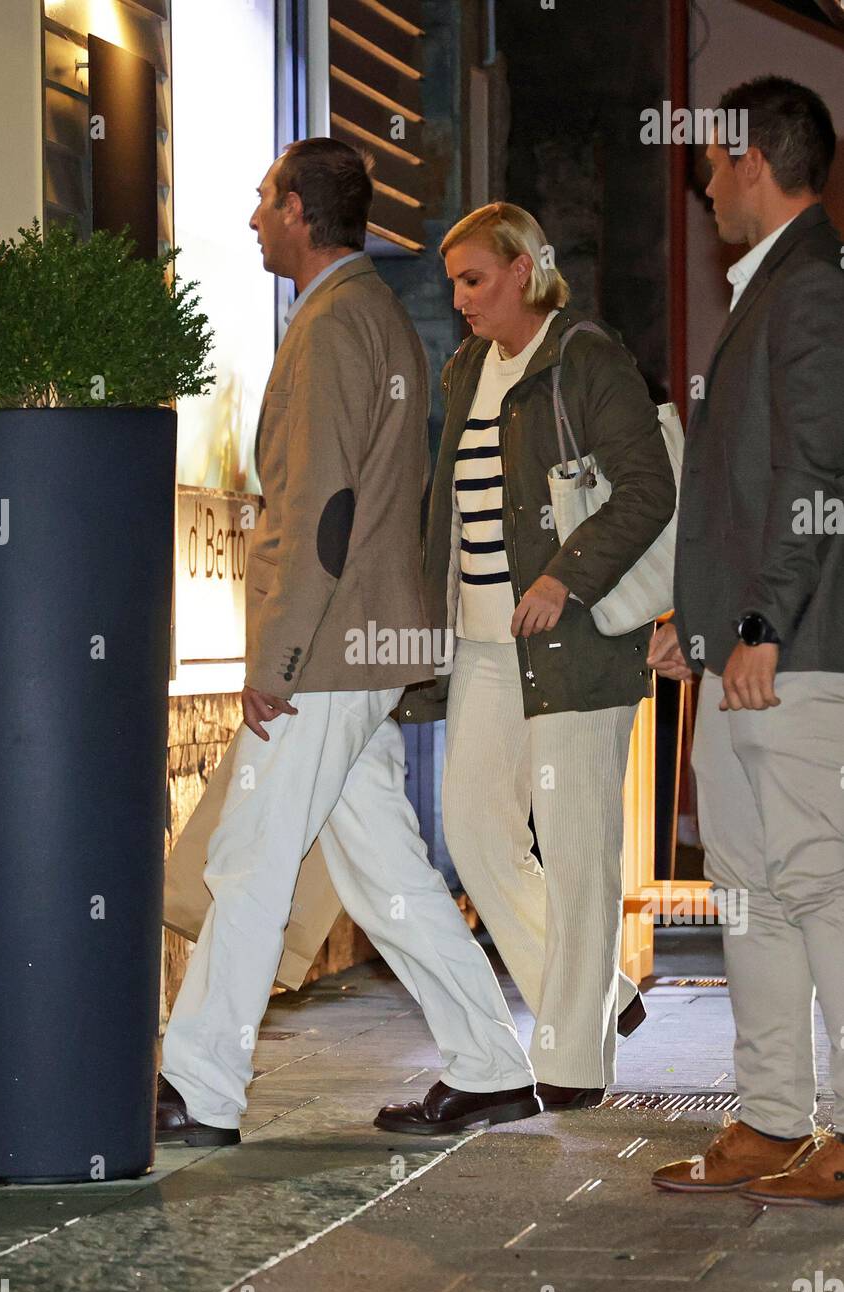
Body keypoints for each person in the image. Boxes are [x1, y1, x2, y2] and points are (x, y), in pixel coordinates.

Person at [157, 138, 542, 1145]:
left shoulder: (331, 327)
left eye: (260, 201)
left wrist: (274, 661)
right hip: (363, 646)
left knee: (248, 856)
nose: (250, 219)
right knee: (385, 874)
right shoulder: (378, 317)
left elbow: (318, 514)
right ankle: (492, 1065)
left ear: (296, 210)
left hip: (324, 651)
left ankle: (200, 1084)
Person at [400, 203, 676, 1107]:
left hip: (577, 641)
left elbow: (649, 488)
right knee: (477, 834)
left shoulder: (584, 357)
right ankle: (604, 992)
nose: (460, 298)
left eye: (474, 278)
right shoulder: (467, 369)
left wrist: (567, 577)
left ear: (524, 270)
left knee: (577, 848)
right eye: (452, 282)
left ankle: (573, 1064)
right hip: (482, 644)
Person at [650, 77, 844, 1205]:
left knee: (818, 883)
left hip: (798, 648)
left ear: (755, 162)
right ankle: (774, 1120)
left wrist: (762, 620)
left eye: (714, 161)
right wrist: (705, 624)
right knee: (750, 887)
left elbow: (820, 477)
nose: (703, 181)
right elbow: (745, 489)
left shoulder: (810, 286)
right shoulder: (772, 286)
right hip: (748, 648)